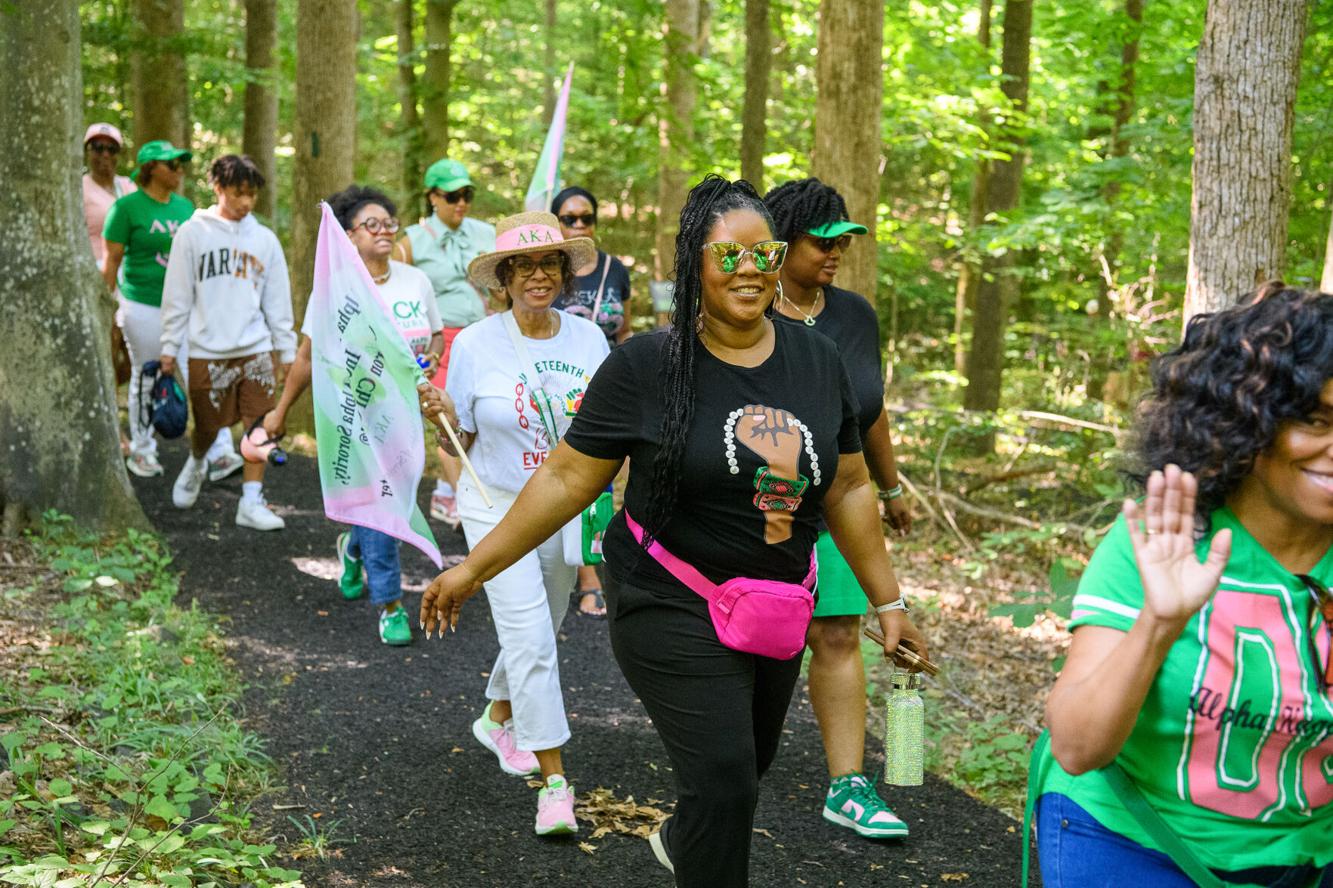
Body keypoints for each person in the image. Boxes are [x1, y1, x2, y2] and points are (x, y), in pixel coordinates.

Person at [418, 177, 928, 886]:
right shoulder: (645, 365)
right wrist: (474, 567)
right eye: (729, 257)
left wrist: (889, 603)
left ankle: (686, 839)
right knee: (725, 782)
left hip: (777, 600)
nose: (749, 270)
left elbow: (844, 483)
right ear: (695, 261)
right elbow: (569, 477)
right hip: (667, 593)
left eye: (765, 254)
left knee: (745, 770)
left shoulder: (817, 362)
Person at [1032, 286, 1333, 885]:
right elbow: (1076, 745)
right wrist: (1158, 625)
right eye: (1316, 419)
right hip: (1135, 840)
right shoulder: (1166, 538)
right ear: (1252, 418)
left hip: (1305, 854)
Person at [419, 210, 607, 835]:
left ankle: (498, 715)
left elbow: (604, 438)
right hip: (493, 502)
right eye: (522, 265)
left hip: (562, 507)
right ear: (503, 278)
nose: (537, 275)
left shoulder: (588, 341)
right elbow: (459, 447)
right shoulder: (474, 343)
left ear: (562, 271)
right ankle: (554, 783)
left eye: (548, 263)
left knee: (542, 630)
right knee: (529, 636)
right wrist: (442, 413)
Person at [763, 177, 914, 838]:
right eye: (819, 242)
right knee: (760, 638)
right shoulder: (744, 307)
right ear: (780, 242)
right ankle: (726, 769)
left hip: (838, 498)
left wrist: (890, 486)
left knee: (837, 632)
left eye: (841, 242)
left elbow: (868, 410)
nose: (833, 253)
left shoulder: (853, 315)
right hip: (755, 508)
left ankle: (848, 784)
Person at [265, 186, 443, 643]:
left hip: (405, 419)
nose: (385, 231)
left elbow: (436, 336)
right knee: (384, 504)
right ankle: (390, 604)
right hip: (357, 418)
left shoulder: (414, 281)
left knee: (394, 499)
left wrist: (429, 363)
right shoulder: (334, 292)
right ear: (348, 235)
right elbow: (307, 358)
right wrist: (280, 412)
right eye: (372, 224)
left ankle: (353, 546)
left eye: (390, 223)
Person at [158, 154, 295, 531]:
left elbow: (277, 300)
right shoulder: (192, 233)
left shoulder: (264, 240)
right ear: (218, 188)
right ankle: (197, 461)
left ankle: (251, 502)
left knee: (259, 426)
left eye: (252, 195)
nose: (246, 202)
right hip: (207, 350)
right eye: (238, 193)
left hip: (254, 348)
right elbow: (177, 293)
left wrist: (286, 350)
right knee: (206, 425)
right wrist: (169, 346)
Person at [103, 139, 240, 480]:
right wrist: (105, 307)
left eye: (181, 164)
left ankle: (220, 452)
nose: (179, 171)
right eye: (172, 165)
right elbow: (113, 262)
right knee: (147, 374)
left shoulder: (184, 208)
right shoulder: (127, 209)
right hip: (142, 305)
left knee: (202, 374)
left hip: (186, 305)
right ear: (151, 169)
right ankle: (143, 450)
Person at [395, 159, 496, 530]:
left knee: (483, 415)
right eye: (453, 195)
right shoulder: (411, 241)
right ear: (432, 197)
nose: (462, 203)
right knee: (448, 419)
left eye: (467, 194)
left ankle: (450, 491)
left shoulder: (485, 233)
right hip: (444, 339)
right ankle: (468, 501)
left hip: (485, 335)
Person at [550, 185, 635, 618]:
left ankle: (596, 561)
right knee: (576, 475)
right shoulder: (551, 272)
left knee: (605, 481)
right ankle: (587, 576)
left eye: (586, 218)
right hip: (562, 385)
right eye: (569, 218)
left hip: (611, 383)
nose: (579, 225)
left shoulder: (616, 270)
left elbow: (624, 329)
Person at [82, 123, 136, 269]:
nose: (105, 154)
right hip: (95, 268)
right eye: (98, 148)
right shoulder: (79, 188)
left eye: (112, 149)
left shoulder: (129, 186)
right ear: (88, 152)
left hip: (129, 272)